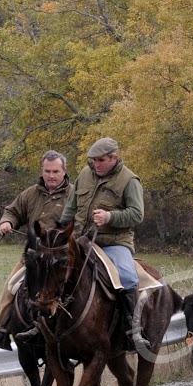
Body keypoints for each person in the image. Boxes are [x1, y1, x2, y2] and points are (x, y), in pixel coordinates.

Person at [59, 137, 145, 352]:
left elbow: (137, 214)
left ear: (113, 158)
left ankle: (132, 331)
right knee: (52, 269)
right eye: (93, 160)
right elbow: (70, 209)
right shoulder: (85, 174)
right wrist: (59, 232)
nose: (96, 164)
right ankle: (44, 325)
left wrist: (110, 217)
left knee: (127, 277)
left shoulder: (129, 180)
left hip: (114, 242)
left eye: (101, 160)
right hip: (82, 240)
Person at [0, 151, 72, 349]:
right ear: (42, 170)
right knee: (11, 287)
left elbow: (81, 222)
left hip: (62, 259)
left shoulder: (73, 195)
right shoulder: (31, 193)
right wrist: (6, 222)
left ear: (64, 171)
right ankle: (2, 331)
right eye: (47, 171)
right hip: (33, 257)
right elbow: (12, 211)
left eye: (56, 171)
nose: (51, 175)